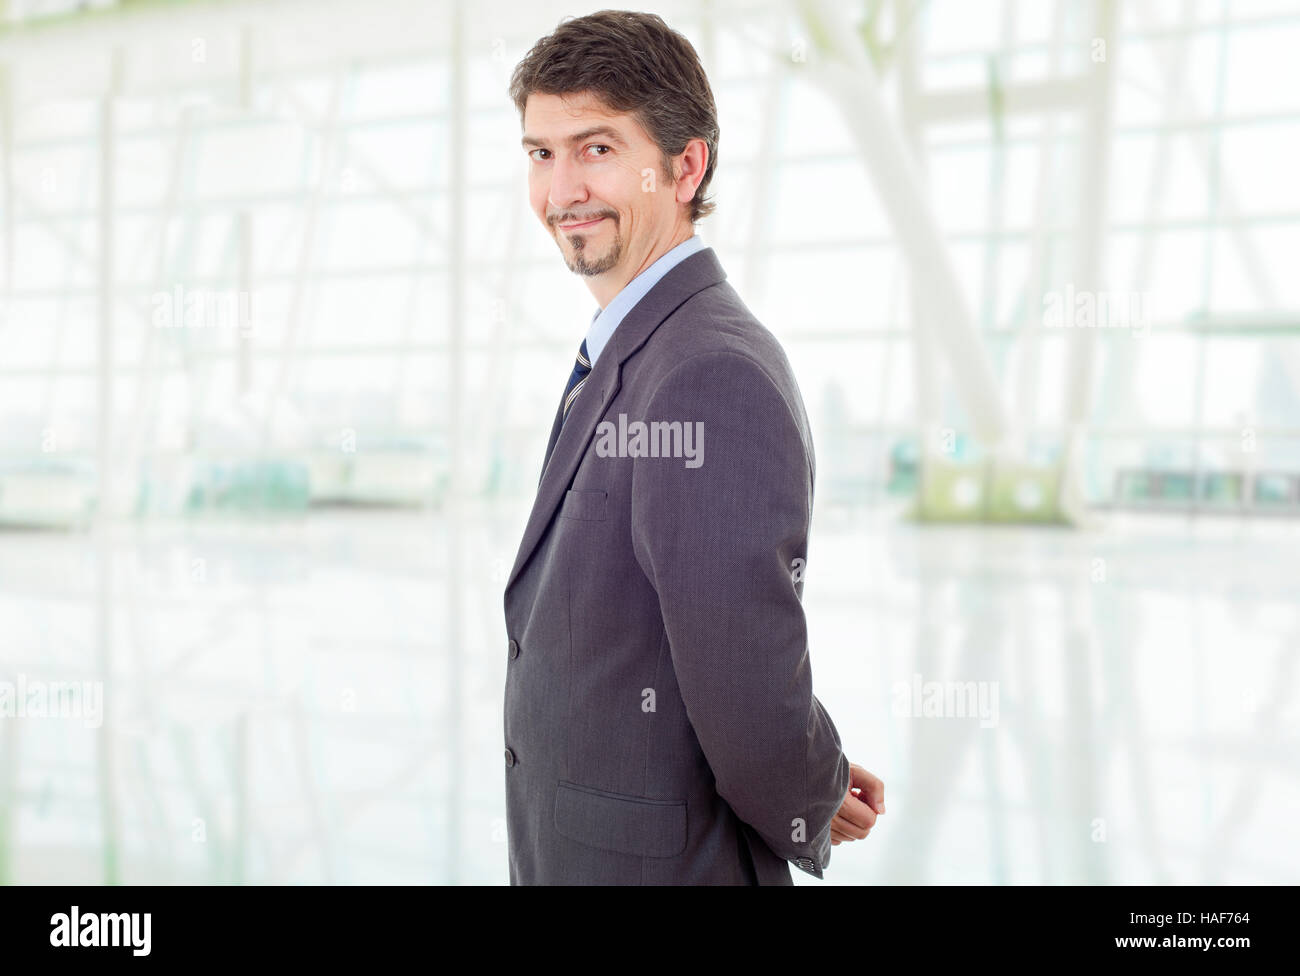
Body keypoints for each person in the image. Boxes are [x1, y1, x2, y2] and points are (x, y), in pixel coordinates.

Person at [502, 9, 884, 885]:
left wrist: (805, 784)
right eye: (541, 153)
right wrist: (810, 771)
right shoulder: (638, 349)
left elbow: (747, 675)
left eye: (597, 149)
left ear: (685, 166)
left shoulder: (709, 374)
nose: (562, 189)